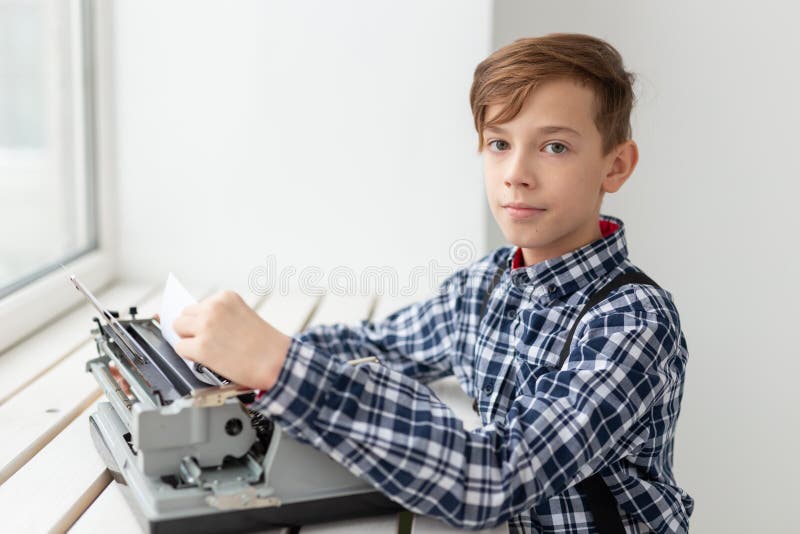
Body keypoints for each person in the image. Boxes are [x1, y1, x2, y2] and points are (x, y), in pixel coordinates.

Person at [171, 33, 694, 533]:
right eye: (498, 143)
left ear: (616, 166)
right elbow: (378, 345)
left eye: (554, 147)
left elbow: (494, 477)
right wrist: (229, 357)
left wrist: (279, 365)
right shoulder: (485, 286)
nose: (516, 172)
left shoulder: (631, 319)